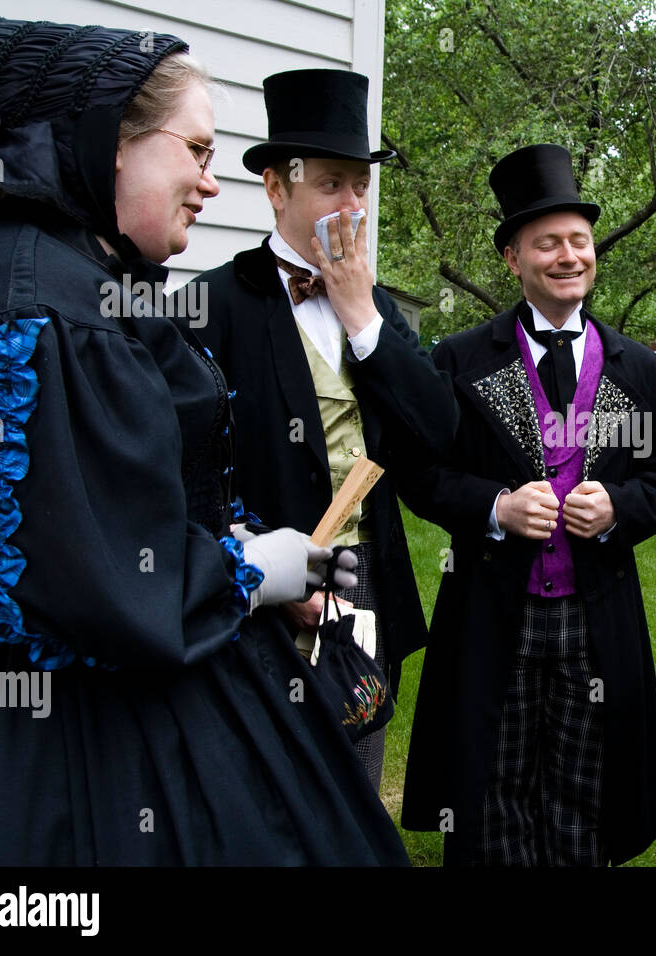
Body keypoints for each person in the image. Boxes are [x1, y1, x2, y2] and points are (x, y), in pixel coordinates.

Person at [0, 18, 408, 865]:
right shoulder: (43, 303)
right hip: (88, 733)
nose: (207, 182)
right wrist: (247, 572)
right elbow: (94, 576)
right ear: (106, 142)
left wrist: (239, 553)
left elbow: (102, 505)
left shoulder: (73, 275)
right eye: (194, 152)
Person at [397, 144, 656, 866]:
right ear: (513, 258)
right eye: (547, 243)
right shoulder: (460, 362)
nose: (568, 256)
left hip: (597, 615)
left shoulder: (643, 371)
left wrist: (620, 506)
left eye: (579, 241)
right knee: (493, 783)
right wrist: (495, 506)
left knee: (585, 787)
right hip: (492, 613)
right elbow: (418, 469)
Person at [182, 69, 458, 796]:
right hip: (260, 588)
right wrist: (263, 574)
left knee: (357, 781)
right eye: (333, 183)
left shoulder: (377, 306)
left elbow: (439, 429)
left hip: (365, 580)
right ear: (278, 187)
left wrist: (363, 317)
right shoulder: (206, 304)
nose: (353, 203)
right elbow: (188, 474)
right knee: (263, 790)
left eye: (361, 186)